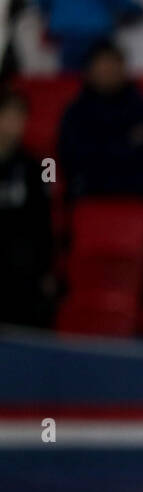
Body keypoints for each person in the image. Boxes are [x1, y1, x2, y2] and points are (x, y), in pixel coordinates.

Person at [57, 39, 143, 201]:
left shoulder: (142, 107)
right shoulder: (76, 112)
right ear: (89, 70)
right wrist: (126, 144)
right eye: (102, 63)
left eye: (113, 63)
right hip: (88, 194)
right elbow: (73, 157)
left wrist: (102, 149)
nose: (108, 69)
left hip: (135, 193)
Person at [0, 89, 54, 326]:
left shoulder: (33, 166)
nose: (15, 124)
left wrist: (45, 270)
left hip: (21, 271)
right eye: (8, 115)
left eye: (20, 117)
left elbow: (42, 223)